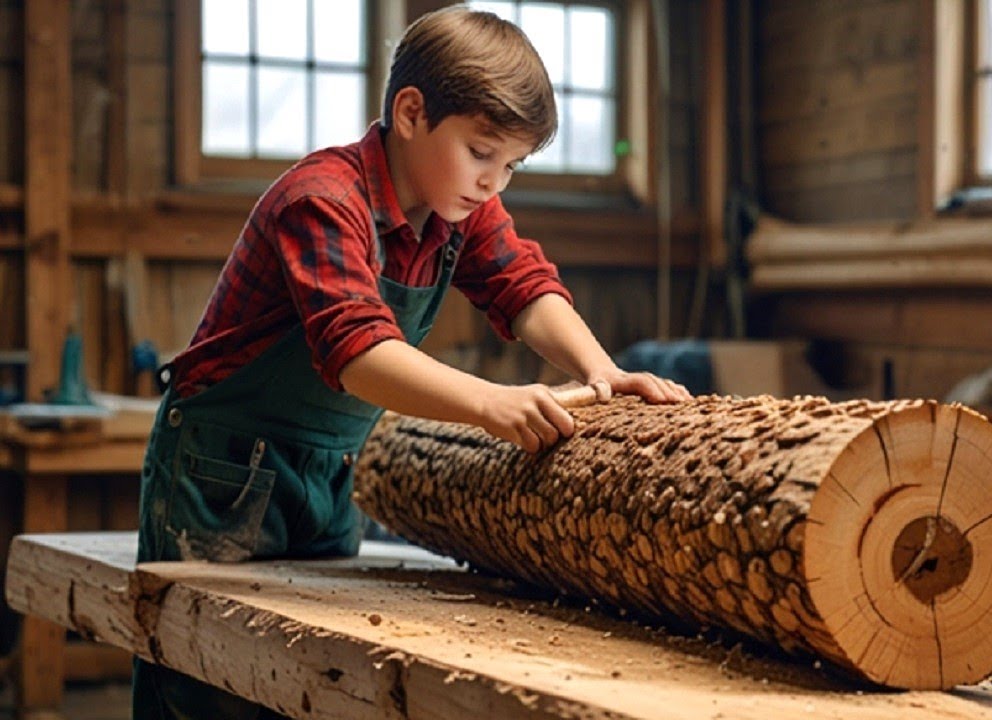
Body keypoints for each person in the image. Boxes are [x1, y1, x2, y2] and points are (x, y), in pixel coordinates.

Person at [133, 5, 690, 717]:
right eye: (481, 152)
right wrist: (493, 403)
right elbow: (359, 353)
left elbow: (522, 285)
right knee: (201, 679)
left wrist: (600, 368)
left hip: (329, 470)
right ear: (410, 111)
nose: (495, 183)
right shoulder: (322, 199)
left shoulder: (460, 209)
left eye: (512, 166)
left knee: (310, 676)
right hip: (219, 470)